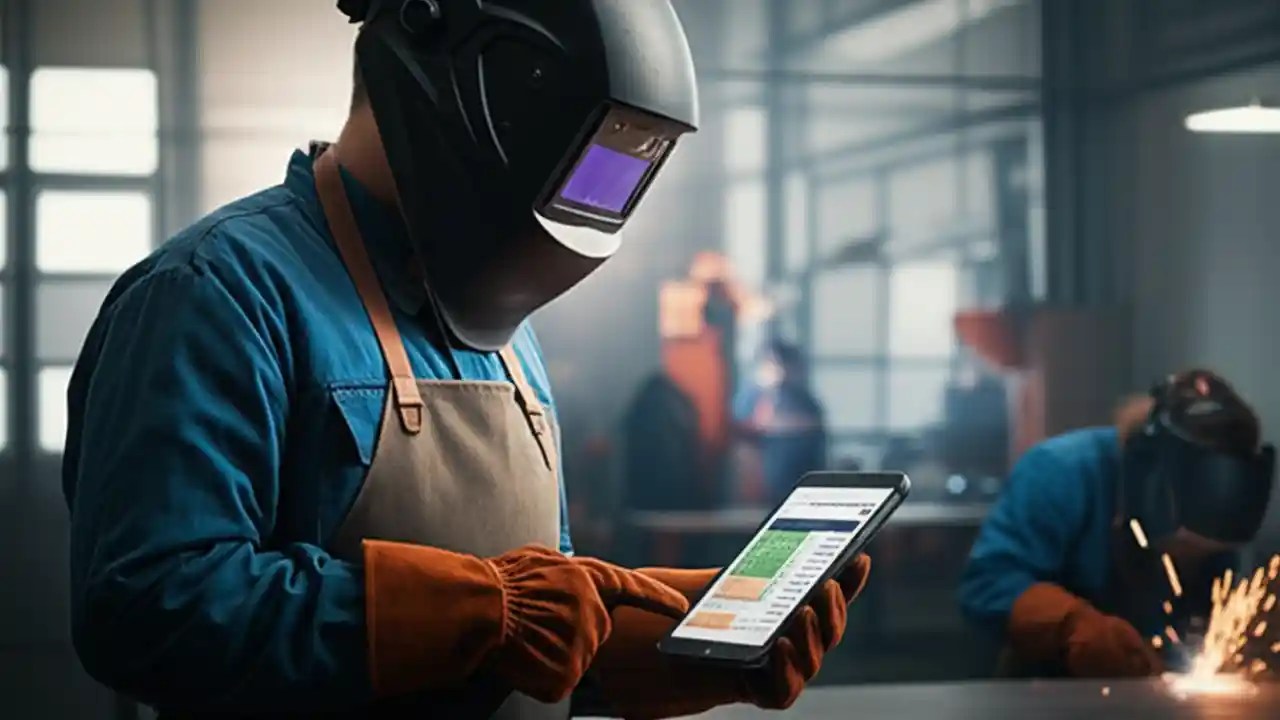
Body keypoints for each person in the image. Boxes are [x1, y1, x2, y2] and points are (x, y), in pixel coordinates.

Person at [62, 2, 873, 717]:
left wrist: (666, 646)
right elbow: (147, 611)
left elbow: (533, 646)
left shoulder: (505, 333)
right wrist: (479, 609)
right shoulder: (219, 291)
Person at [958, 370, 1275, 678]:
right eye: (1187, 547)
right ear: (1149, 485)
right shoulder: (1060, 472)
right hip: (1042, 695)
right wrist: (1072, 625)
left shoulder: (1220, 517)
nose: (1191, 558)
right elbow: (987, 585)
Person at [733, 340, 828, 505]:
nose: (780, 371)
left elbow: (816, 428)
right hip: (760, 476)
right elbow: (743, 428)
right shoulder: (751, 396)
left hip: (802, 478)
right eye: (772, 365)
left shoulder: (804, 399)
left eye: (784, 365)